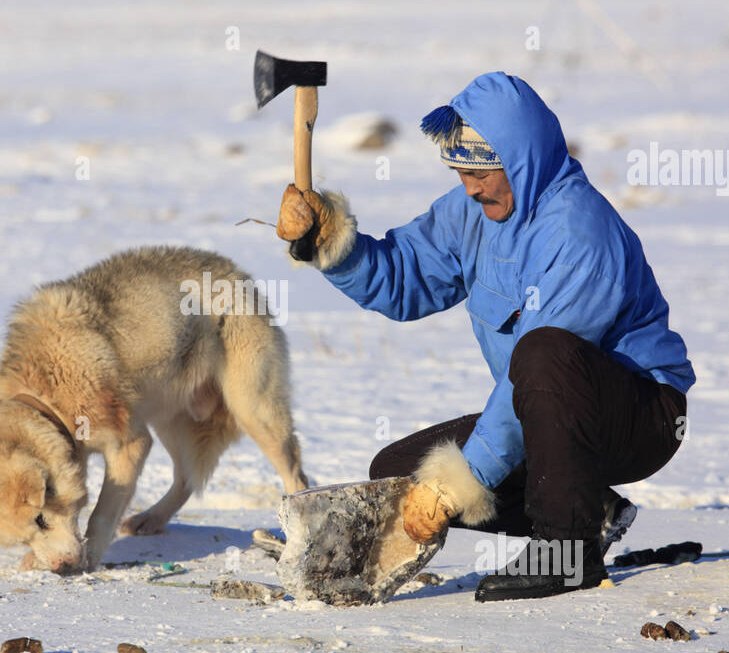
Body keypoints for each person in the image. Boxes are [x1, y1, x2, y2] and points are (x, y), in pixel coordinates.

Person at [275, 71, 694, 601]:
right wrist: (328, 239)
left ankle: (568, 551)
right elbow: (405, 277)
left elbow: (547, 363)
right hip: (547, 414)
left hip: (640, 416)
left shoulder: (577, 231)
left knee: (541, 353)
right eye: (460, 170)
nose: (471, 186)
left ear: (522, 159)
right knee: (398, 475)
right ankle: (596, 510)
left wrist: (454, 489)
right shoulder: (474, 212)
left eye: (483, 171)